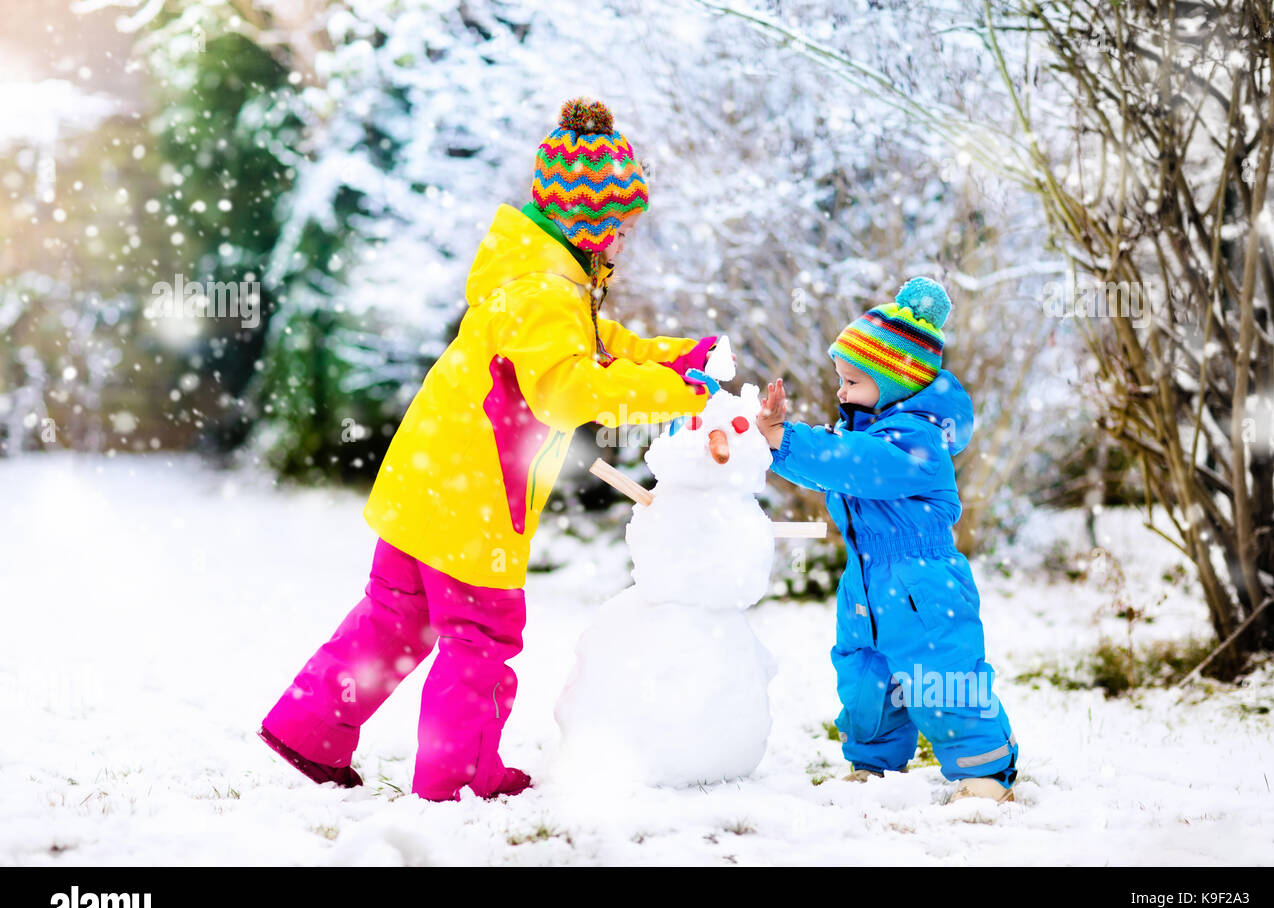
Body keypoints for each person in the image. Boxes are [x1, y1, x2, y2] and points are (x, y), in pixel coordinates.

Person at [258, 97, 717, 802]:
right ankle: (461, 772)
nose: (625, 242)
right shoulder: (547, 291)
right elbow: (568, 389)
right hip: (472, 490)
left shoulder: (536, 273)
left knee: (395, 617)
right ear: (587, 220)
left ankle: (312, 727)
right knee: (481, 634)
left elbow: (599, 348)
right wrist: (681, 397)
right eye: (621, 226)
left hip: (428, 471)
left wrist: (676, 360)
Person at [755, 277, 1019, 804]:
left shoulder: (915, 441)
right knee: (864, 678)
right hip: (866, 581)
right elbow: (841, 466)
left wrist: (788, 440)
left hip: (923, 585)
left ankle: (984, 773)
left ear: (895, 381)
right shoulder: (866, 436)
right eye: (841, 380)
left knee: (942, 677)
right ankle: (873, 765)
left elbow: (857, 467)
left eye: (853, 381)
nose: (841, 392)